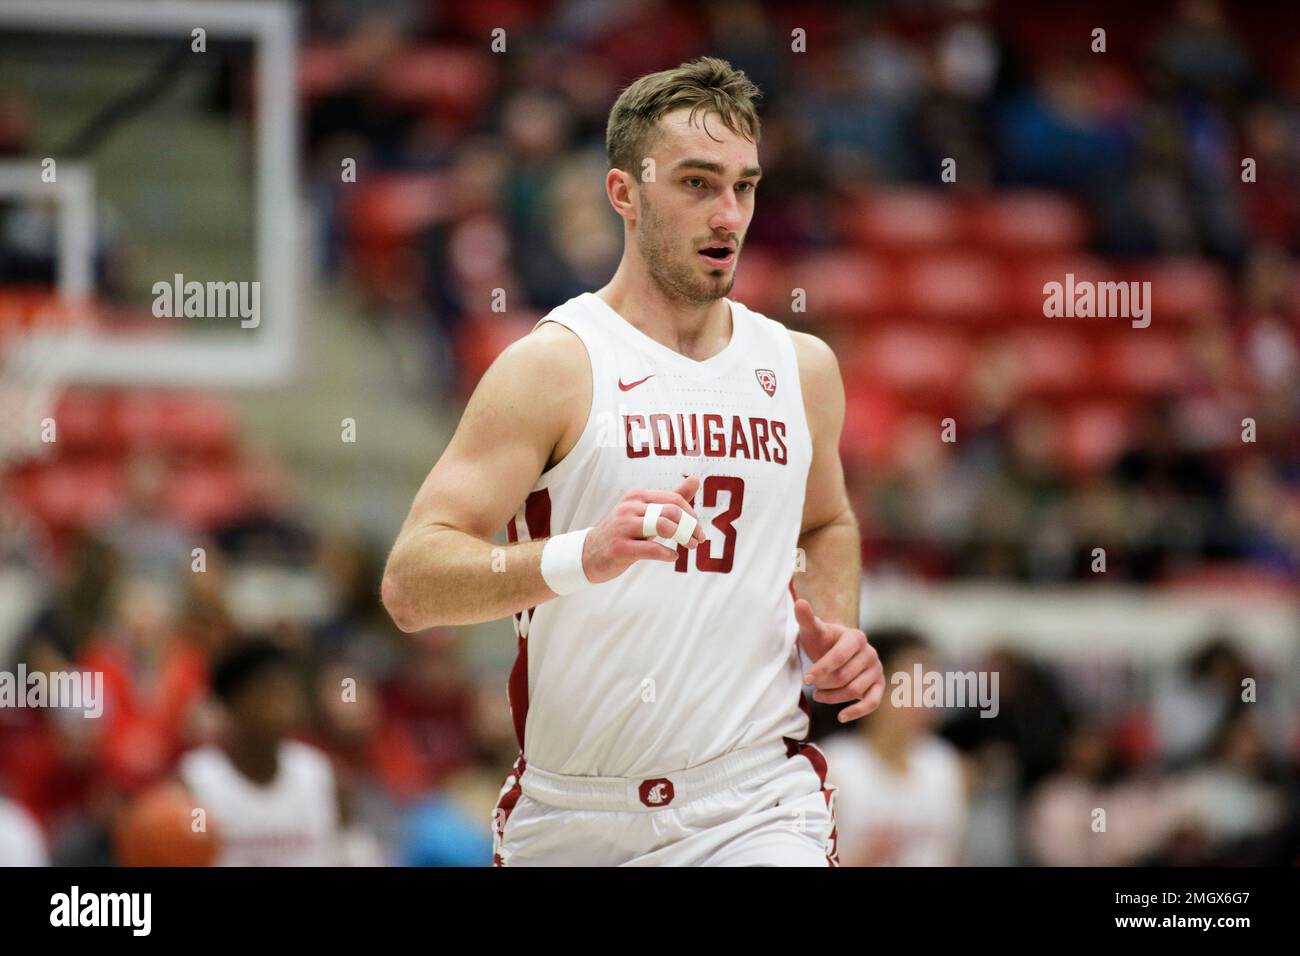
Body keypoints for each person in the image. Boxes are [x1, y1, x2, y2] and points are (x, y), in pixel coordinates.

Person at [382, 56, 883, 866]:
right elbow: (411, 585)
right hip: (573, 812)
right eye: (696, 183)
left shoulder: (802, 368)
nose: (728, 214)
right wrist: (585, 552)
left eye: (744, 186)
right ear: (624, 194)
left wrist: (832, 628)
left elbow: (826, 520)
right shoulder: (553, 366)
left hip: (753, 803)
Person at [178, 639, 344, 865]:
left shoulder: (320, 773)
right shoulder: (193, 782)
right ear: (231, 701)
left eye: (288, 690)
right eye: (269, 690)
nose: (284, 704)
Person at [818, 629, 967, 866]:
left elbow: (954, 854)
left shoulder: (944, 764)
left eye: (930, 690)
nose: (921, 703)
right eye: (908, 690)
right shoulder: (834, 766)